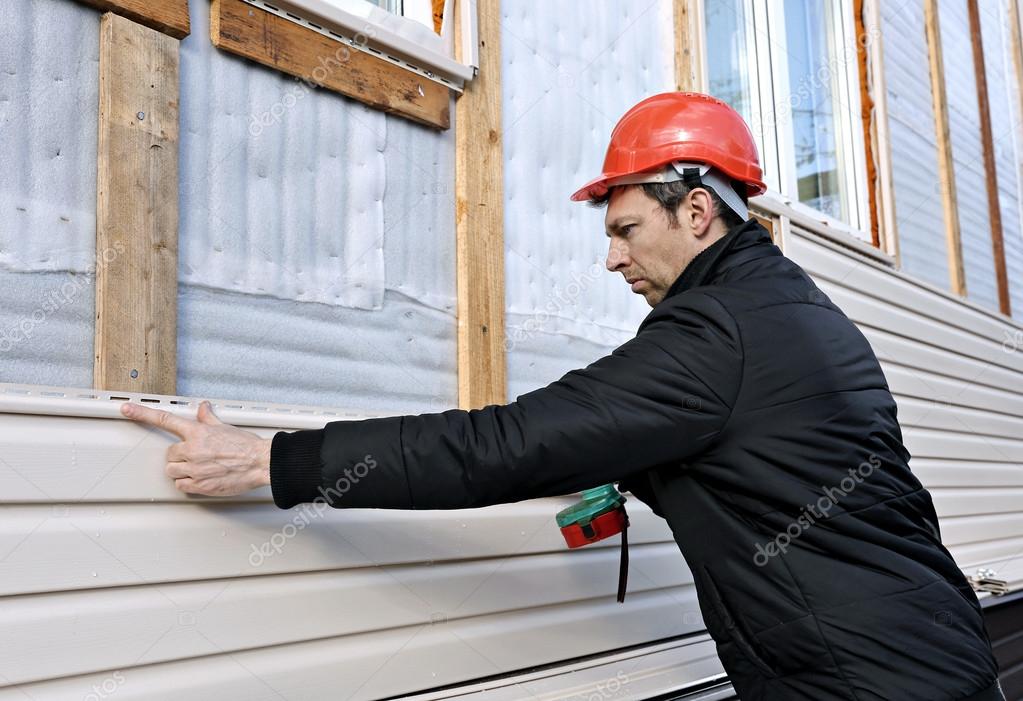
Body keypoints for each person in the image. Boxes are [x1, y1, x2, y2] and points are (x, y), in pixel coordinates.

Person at [121, 92, 1005, 701]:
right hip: (929, 653)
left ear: (695, 211)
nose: (612, 258)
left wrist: (270, 459)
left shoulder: (715, 334)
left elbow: (502, 442)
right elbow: (756, 461)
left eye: (625, 229)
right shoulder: (790, 311)